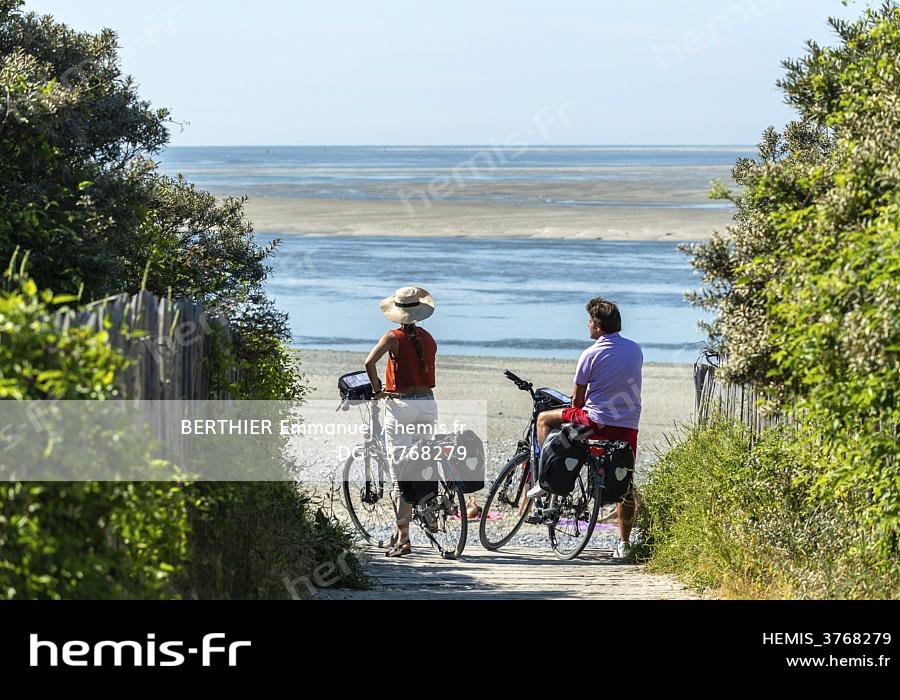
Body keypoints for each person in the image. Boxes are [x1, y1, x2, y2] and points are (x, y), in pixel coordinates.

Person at [527, 297, 642, 560]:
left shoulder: (590, 354)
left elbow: (577, 401)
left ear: (598, 326)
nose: (587, 325)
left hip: (593, 425)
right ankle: (624, 544)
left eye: (589, 321)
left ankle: (547, 476)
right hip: (626, 426)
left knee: (544, 418)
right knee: (626, 484)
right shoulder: (636, 349)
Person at [364, 286, 438, 558]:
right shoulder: (429, 338)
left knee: (400, 477)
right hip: (428, 405)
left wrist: (377, 389)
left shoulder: (392, 337)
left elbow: (369, 362)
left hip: (402, 407)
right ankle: (430, 513)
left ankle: (404, 539)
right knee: (422, 464)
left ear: (397, 313)